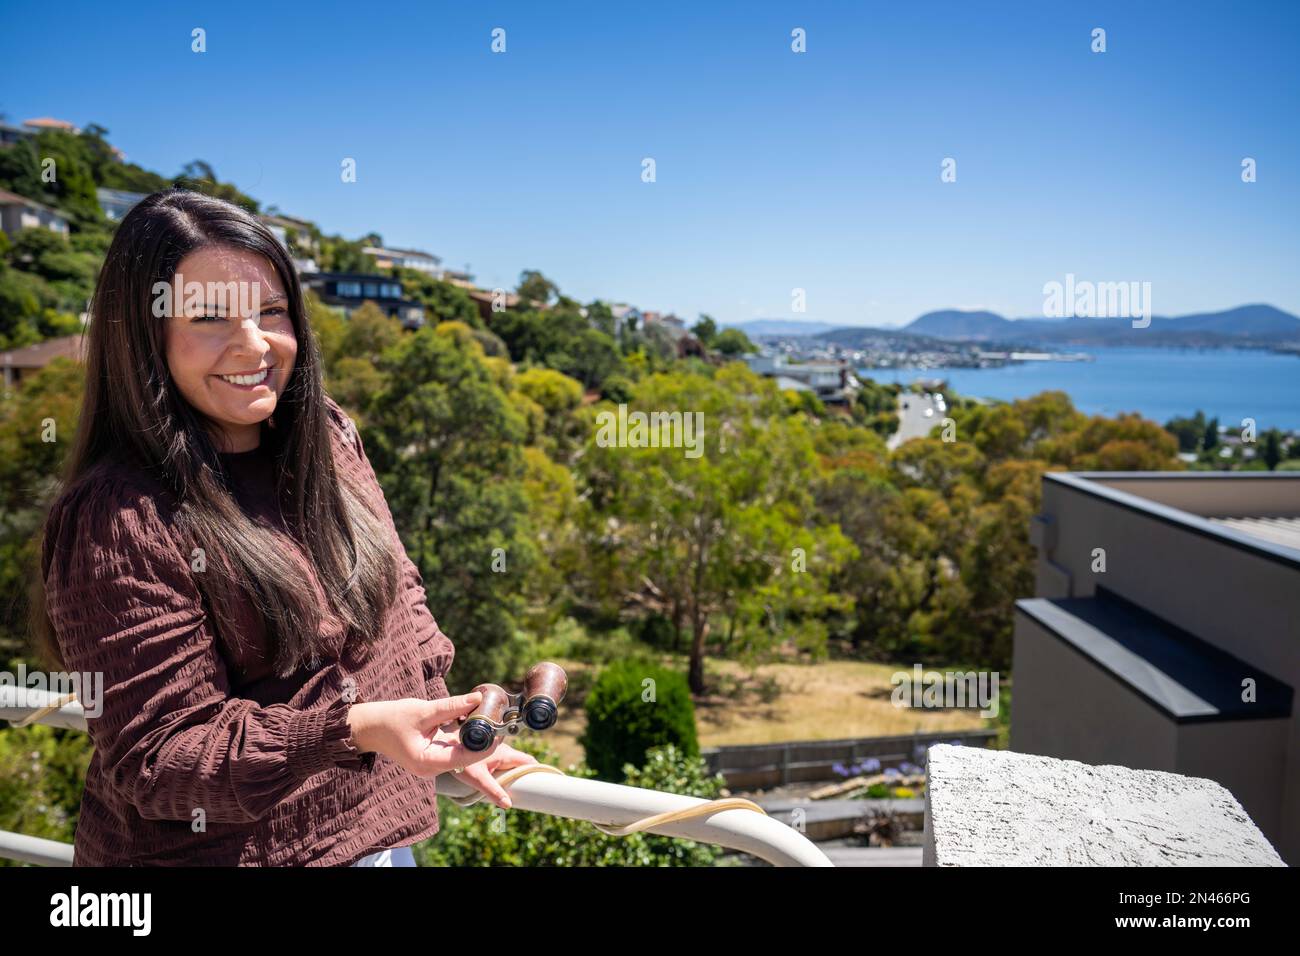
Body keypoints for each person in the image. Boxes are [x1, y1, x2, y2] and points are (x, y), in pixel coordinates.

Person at [28, 188, 535, 866]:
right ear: (144, 337)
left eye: (271, 311)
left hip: (379, 843)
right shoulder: (116, 517)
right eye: (209, 319)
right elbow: (161, 757)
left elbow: (399, 598)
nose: (252, 344)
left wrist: (445, 727)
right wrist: (353, 729)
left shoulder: (324, 436)